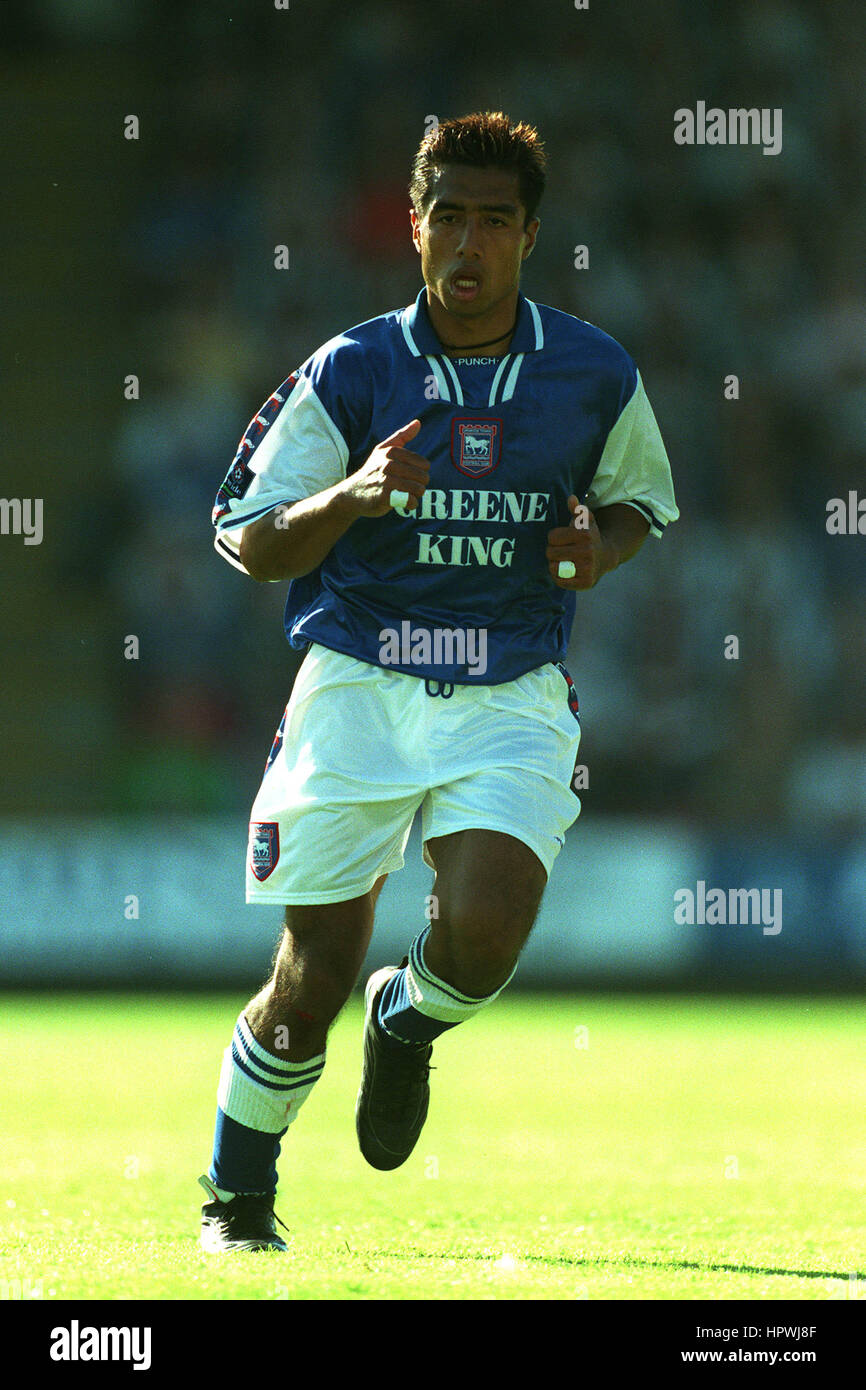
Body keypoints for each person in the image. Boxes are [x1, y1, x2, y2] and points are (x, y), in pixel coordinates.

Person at [200, 111, 678, 1252]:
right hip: (357, 685)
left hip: (508, 687)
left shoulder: (593, 371)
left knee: (484, 930)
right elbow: (244, 535)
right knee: (308, 978)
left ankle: (405, 1022)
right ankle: (238, 1199)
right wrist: (353, 497)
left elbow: (637, 507)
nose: (469, 243)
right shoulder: (353, 368)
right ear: (413, 228)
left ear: (528, 237)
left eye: (494, 221)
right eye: (448, 217)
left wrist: (593, 552)